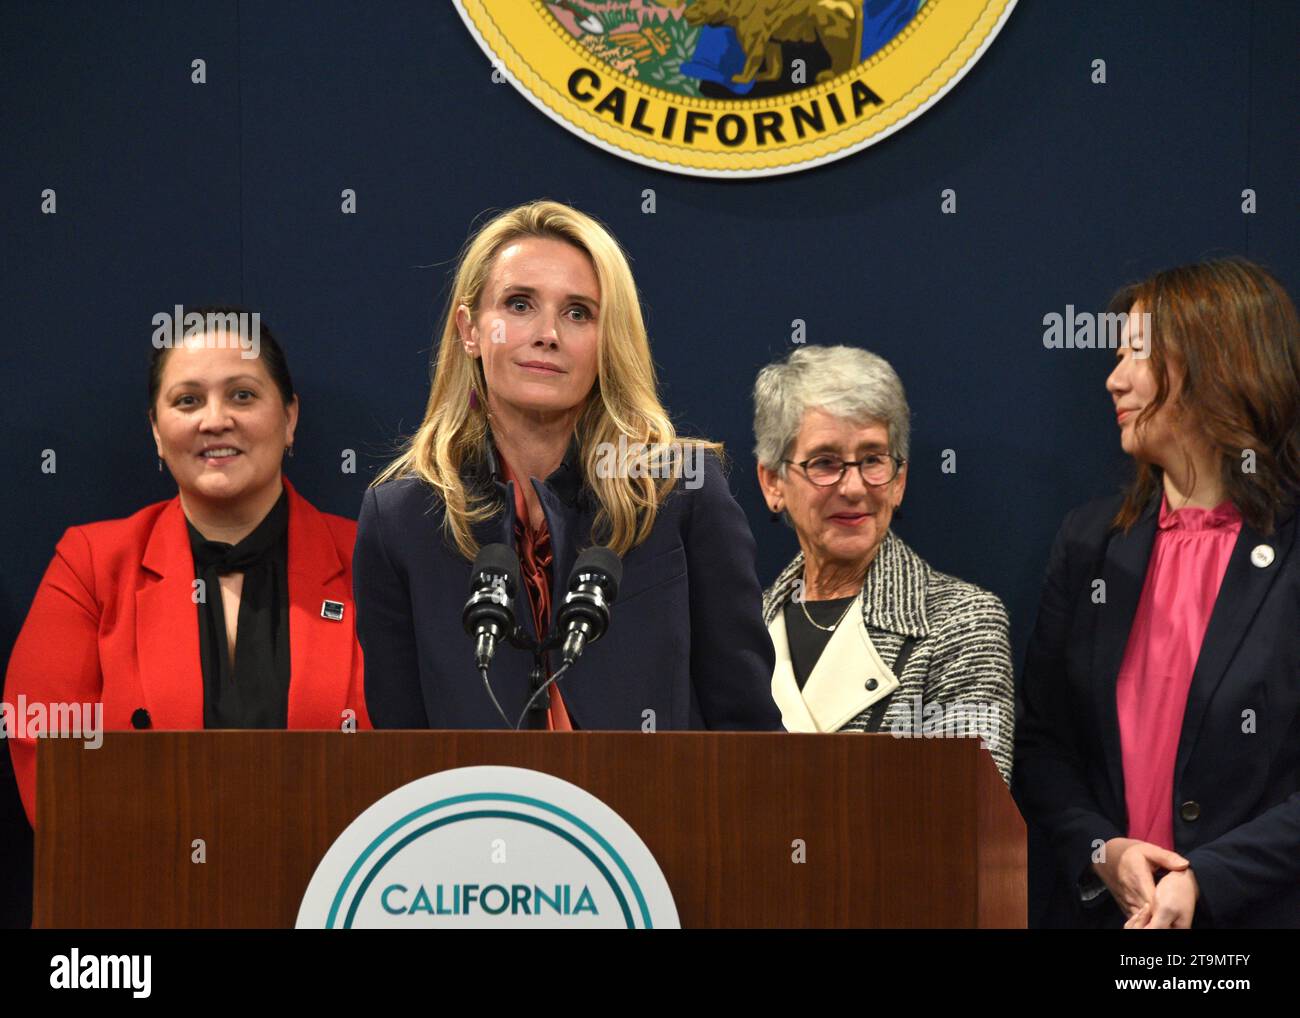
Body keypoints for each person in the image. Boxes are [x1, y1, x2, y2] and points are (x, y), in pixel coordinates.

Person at [355, 200, 781, 732]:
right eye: (518, 304)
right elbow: (400, 755)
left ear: (608, 340)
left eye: (578, 312)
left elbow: (749, 735)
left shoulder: (679, 491)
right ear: (469, 330)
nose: (548, 333)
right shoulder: (401, 517)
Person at [1014, 257, 1300, 928]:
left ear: (1221, 362)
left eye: (1135, 355)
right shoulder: (1087, 542)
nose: (1113, 379)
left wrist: (1212, 877)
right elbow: (1041, 742)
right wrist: (1101, 849)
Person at [3, 309, 370, 827]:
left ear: (289, 418)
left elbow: (417, 757)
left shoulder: (369, 560)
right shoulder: (89, 563)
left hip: (338, 895)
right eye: (187, 400)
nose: (215, 419)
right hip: (141, 895)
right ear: (156, 430)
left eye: (242, 395)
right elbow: (42, 748)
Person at [754, 345, 1014, 782]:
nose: (854, 487)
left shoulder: (963, 622)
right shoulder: (741, 630)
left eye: (873, 460)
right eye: (825, 463)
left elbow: (965, 816)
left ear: (899, 480)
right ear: (773, 483)